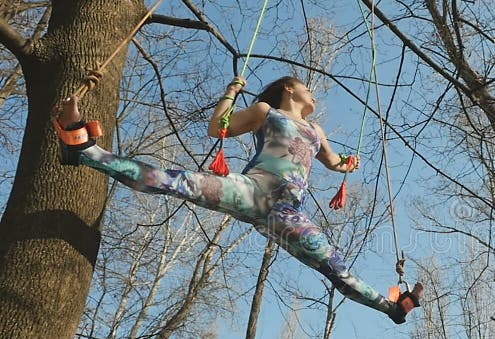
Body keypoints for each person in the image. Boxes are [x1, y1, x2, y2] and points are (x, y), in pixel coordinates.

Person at [55, 76, 422, 324]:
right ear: (289, 91)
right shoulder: (267, 112)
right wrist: (231, 92)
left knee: (331, 263)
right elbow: (220, 128)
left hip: (287, 211)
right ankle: (84, 150)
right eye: (306, 88)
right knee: (176, 182)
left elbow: (333, 162)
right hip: (251, 189)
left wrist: (348, 164)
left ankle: (391, 307)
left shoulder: (316, 130)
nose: (313, 95)